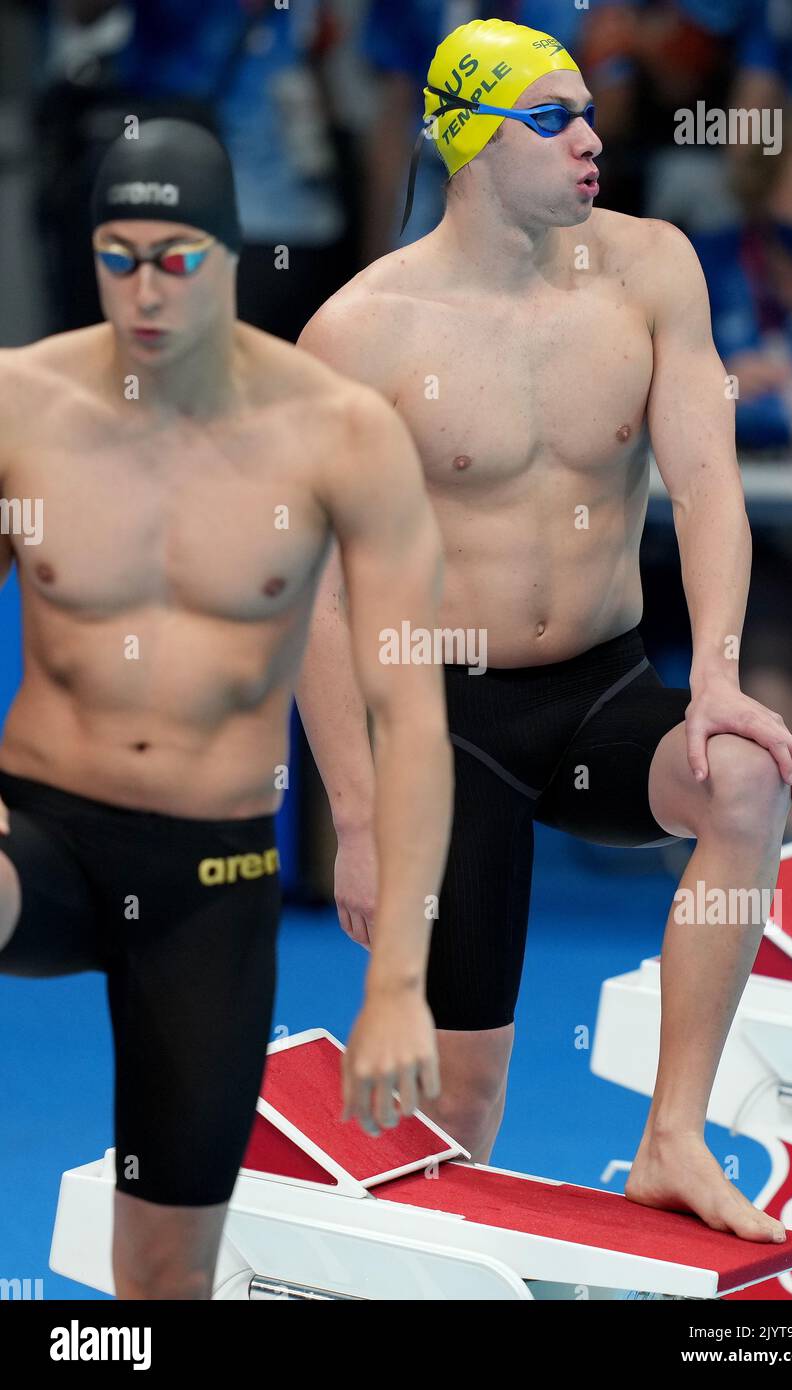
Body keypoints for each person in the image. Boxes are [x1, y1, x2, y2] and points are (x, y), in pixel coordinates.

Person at [297, 17, 792, 1244]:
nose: (590, 138)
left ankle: (670, 1137)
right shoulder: (361, 333)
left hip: (600, 691)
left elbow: (706, 484)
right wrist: (359, 819)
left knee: (739, 778)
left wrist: (719, 678)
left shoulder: (649, 270)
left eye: (591, 107)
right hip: (445, 728)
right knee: (464, 1099)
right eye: (552, 118)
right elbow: (309, 594)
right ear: (468, 144)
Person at [0, 118, 452, 1299]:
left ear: (232, 254)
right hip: (40, 837)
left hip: (209, 881)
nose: (145, 289)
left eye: (177, 257)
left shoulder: (337, 433)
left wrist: (398, 978)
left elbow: (407, 712)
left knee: (163, 1278)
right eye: (119, 254)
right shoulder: (21, 404)